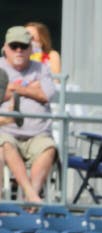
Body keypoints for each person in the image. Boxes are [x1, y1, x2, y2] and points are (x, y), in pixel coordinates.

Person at [0, 26, 57, 204]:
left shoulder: (42, 68)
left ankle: (28, 200)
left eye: (23, 46)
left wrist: (15, 88)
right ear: (5, 48)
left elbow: (47, 95)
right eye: (14, 45)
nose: (19, 50)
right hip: (6, 130)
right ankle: (31, 196)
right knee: (4, 144)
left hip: (38, 133)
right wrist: (30, 88)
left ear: (31, 49)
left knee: (48, 148)